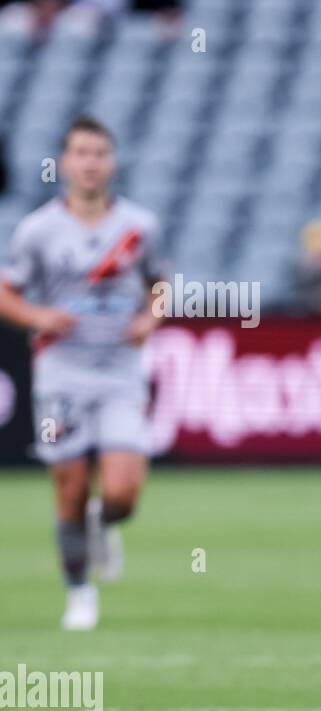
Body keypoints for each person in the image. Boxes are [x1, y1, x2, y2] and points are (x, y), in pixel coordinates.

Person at [0, 115, 168, 630]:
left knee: (122, 493)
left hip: (119, 369)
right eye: (81, 153)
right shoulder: (38, 229)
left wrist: (149, 319)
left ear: (112, 162)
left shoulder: (139, 226)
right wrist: (38, 316)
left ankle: (106, 522)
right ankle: (79, 592)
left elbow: (160, 284)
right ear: (65, 163)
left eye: (100, 153)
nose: (91, 163)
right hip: (62, 373)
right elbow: (7, 293)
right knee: (69, 487)